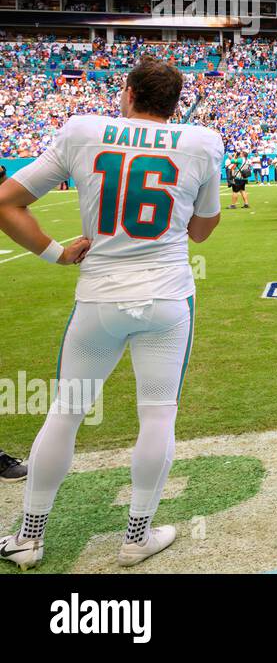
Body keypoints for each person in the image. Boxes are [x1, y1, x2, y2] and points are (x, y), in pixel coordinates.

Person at [0, 57, 222, 570]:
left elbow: (7, 203)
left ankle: (30, 536)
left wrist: (56, 252)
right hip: (167, 297)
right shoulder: (202, 142)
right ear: (175, 103)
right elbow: (202, 232)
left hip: (99, 298)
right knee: (157, 414)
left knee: (66, 412)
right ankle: (136, 536)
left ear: (127, 93)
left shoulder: (83, 131)